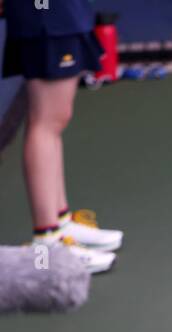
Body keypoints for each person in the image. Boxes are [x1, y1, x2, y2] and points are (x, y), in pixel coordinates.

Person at [1, 0, 122, 271]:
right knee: (46, 122)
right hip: (46, 16)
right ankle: (48, 241)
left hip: (61, 13)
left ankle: (61, 221)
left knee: (56, 119)